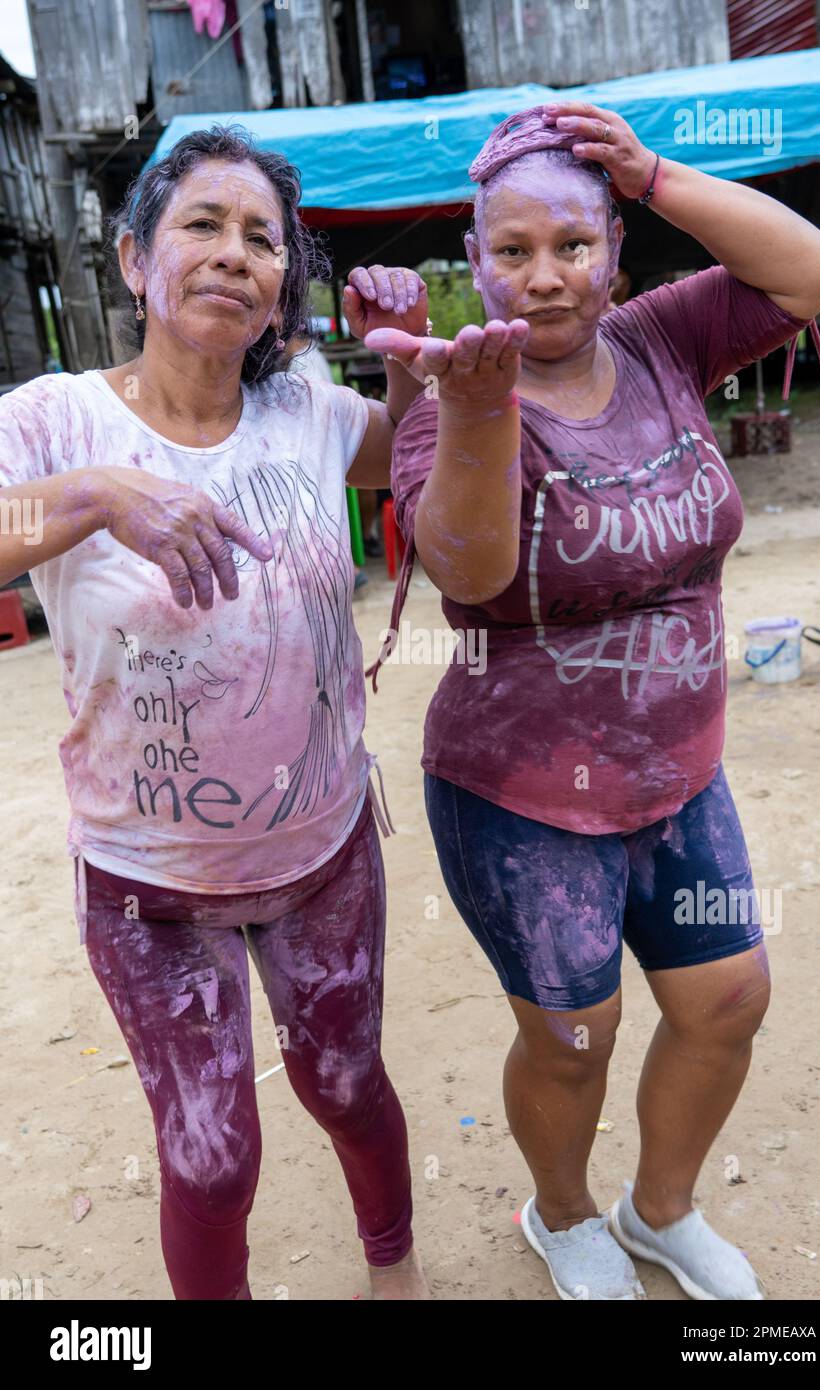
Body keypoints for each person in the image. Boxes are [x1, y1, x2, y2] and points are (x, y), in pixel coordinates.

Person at [366, 103, 820, 1301]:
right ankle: (563, 1211)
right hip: (519, 797)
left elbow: (811, 270)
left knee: (726, 999)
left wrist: (655, 171)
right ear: (472, 264)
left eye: (570, 246)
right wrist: (475, 413)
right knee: (572, 1039)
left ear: (612, 252)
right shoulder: (445, 391)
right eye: (510, 252)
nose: (542, 278)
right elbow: (468, 573)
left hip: (678, 773)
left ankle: (657, 1210)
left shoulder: (661, 338)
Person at [0, 125, 432, 1301]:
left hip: (321, 849)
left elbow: (405, 465)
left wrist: (402, 365)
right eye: (202, 224)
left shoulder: (302, 405)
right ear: (136, 258)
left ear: (283, 282)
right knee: (210, 1154)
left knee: (344, 1083)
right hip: (148, 882)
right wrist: (96, 498)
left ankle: (393, 1274)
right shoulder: (54, 421)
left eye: (262, 240)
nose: (234, 254)